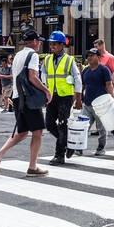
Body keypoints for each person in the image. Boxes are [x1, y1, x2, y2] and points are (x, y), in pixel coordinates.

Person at [0, 31, 52, 177]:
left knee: (23, 133)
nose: (40, 43)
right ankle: (32, 167)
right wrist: (46, 90)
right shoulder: (33, 55)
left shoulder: (18, 55)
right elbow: (32, 77)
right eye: (39, 40)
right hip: (29, 99)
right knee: (37, 132)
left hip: (17, 98)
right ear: (34, 41)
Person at [42, 32, 83, 165]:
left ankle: (59, 155)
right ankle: (68, 143)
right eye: (51, 44)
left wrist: (78, 96)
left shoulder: (69, 60)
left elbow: (77, 78)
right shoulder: (47, 59)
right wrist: (44, 88)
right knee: (49, 124)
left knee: (62, 125)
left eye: (54, 44)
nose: (52, 46)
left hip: (65, 97)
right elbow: (43, 74)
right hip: (52, 96)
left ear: (61, 45)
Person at [79, 48, 114, 156]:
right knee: (83, 126)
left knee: (102, 129)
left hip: (101, 105)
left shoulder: (103, 69)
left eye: (92, 55)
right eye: (88, 56)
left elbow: (109, 84)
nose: (89, 57)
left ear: (98, 57)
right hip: (87, 104)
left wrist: (113, 98)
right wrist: (78, 98)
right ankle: (79, 147)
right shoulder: (85, 71)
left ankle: (101, 148)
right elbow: (82, 85)